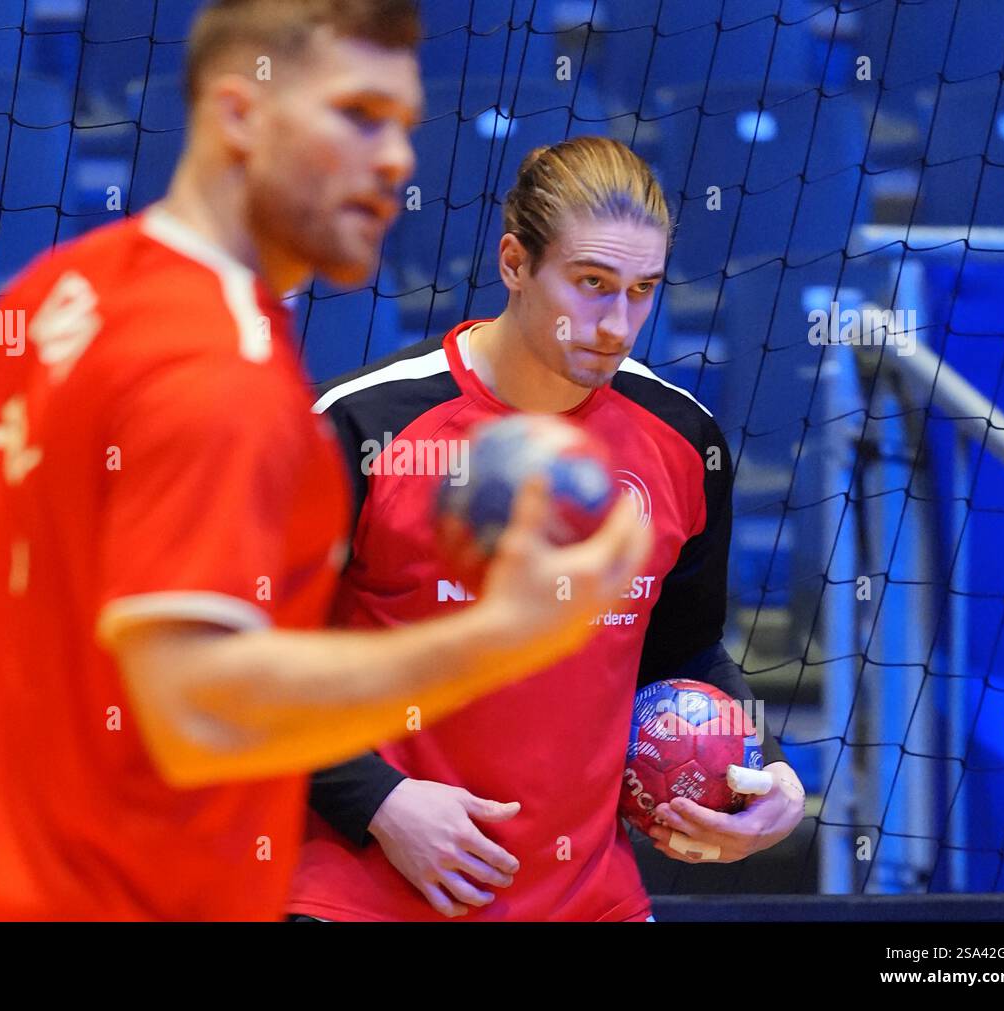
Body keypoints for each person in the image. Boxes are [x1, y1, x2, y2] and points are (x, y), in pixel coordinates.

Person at [0, 3, 648, 921]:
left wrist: (2, 732)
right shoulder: (220, 376)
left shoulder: (74, 286)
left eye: (405, 127)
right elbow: (201, 712)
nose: (396, 161)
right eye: (358, 116)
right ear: (239, 113)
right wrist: (496, 636)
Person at [287, 137, 807, 922]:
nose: (617, 322)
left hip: (589, 901)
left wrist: (761, 772)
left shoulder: (682, 441)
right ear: (514, 263)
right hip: (362, 894)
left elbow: (684, 649)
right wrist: (380, 799)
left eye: (643, 290)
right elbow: (245, 658)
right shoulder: (364, 424)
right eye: (592, 284)